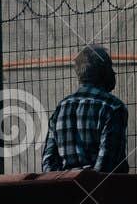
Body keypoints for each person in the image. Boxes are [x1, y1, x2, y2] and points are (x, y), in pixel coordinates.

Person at [41, 45, 128, 173]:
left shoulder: (61, 108)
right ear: (103, 72)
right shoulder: (113, 107)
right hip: (101, 190)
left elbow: (48, 162)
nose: (114, 72)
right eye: (110, 67)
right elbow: (107, 163)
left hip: (66, 189)